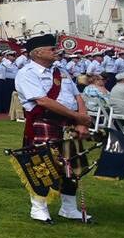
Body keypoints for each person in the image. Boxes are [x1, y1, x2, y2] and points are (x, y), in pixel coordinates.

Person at [14, 34, 90, 223]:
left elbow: (77, 96)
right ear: (38, 53)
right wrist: (77, 117)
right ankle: (39, 208)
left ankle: (69, 208)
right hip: (44, 121)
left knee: (73, 166)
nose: (57, 51)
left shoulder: (61, 70)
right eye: (52, 49)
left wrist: (81, 121)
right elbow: (43, 100)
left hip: (70, 121)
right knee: (43, 165)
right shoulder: (27, 73)